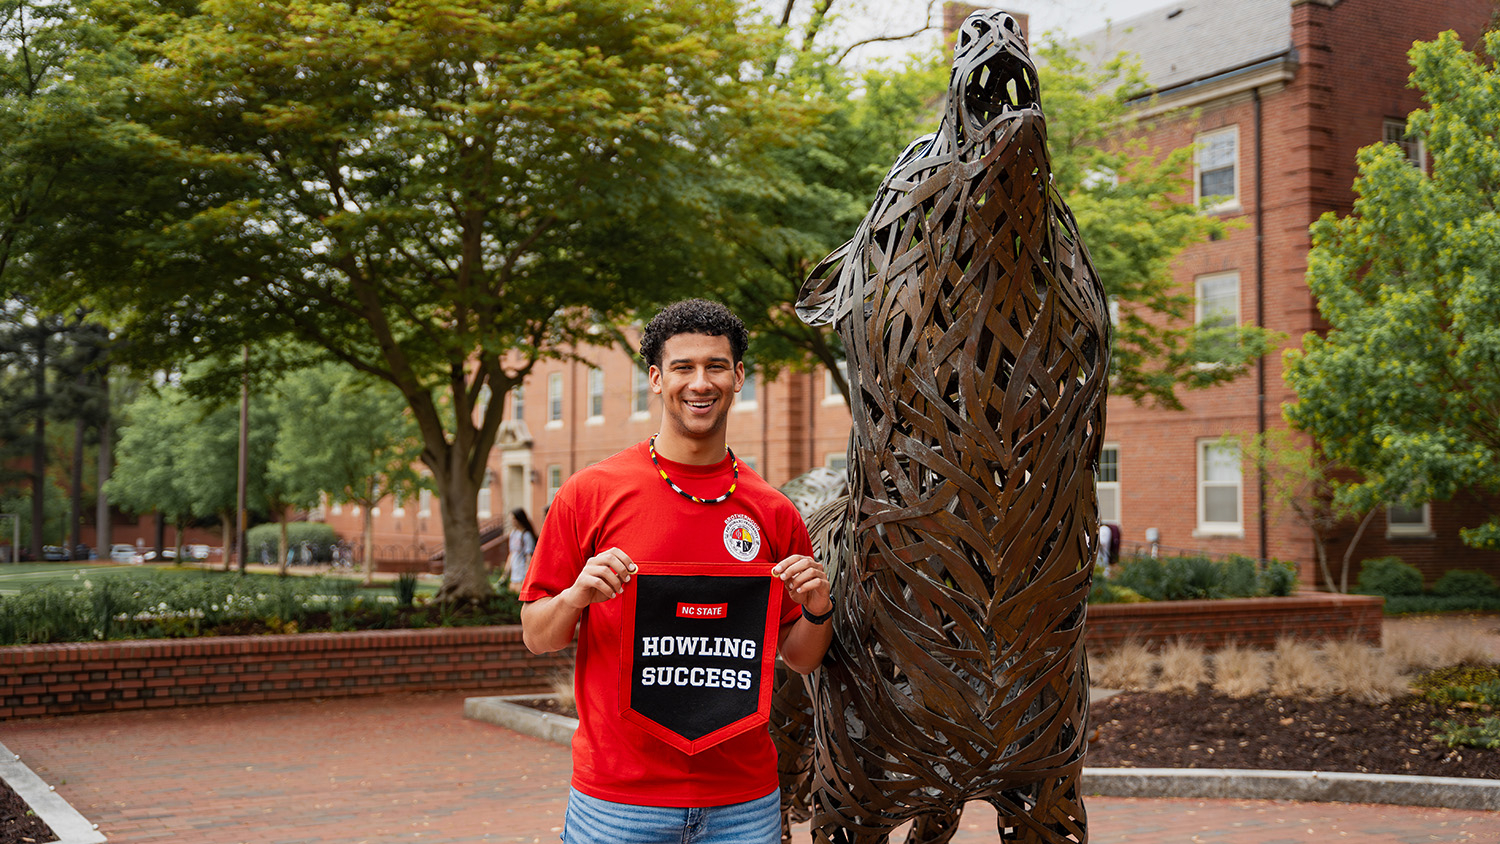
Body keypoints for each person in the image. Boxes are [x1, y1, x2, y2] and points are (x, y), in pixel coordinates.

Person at [520, 298, 833, 844]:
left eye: (716, 366)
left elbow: (799, 656)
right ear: (656, 379)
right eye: (683, 367)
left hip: (743, 803)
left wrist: (817, 607)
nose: (700, 383)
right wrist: (575, 597)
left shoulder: (772, 509)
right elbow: (537, 636)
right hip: (618, 802)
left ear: (738, 377)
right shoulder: (590, 493)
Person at [507, 508, 536, 592]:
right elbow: (511, 553)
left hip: (522, 574)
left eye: (513, 519)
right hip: (514, 574)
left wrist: (527, 575)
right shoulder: (513, 534)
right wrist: (506, 573)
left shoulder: (526, 535)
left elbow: (529, 556)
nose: (511, 521)